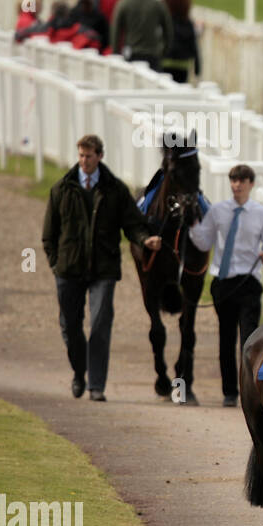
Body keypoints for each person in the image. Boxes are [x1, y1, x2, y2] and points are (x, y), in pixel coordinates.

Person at [42, 135, 161, 401]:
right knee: (69, 326)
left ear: (100, 156)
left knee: (100, 324)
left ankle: (96, 385)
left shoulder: (115, 190)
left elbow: (133, 224)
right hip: (68, 270)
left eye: (89, 156)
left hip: (103, 270)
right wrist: (55, 263)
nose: (84, 160)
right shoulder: (61, 189)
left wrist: (145, 240)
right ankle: (79, 372)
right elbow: (49, 234)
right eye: (81, 155)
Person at [189, 164, 263, 407]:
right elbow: (204, 241)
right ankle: (229, 392)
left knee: (249, 339)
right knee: (225, 338)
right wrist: (191, 224)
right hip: (223, 283)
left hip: (249, 282)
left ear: (251, 184)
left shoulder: (262, 214)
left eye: (242, 180)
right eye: (233, 180)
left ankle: (250, 392)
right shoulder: (217, 211)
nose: (237, 184)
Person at [110, 0, 173, 72]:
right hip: (152, 54)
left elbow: (116, 31)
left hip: (131, 53)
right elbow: (168, 31)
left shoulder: (124, 2)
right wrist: (164, 51)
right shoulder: (157, 4)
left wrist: (116, 54)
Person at [160, 0, 200, 83]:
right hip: (182, 65)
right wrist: (197, 69)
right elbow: (193, 46)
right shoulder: (188, 23)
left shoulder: (164, 21)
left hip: (164, 63)